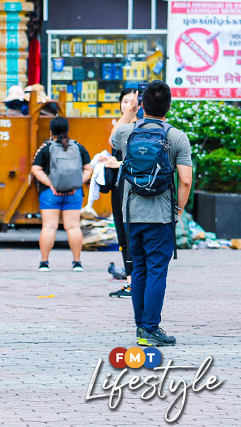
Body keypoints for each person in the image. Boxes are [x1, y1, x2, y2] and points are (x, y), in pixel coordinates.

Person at [111, 80, 192, 347]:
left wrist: (130, 109)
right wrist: (177, 210)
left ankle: (141, 327)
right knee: (157, 269)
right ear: (169, 106)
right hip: (160, 215)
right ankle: (150, 328)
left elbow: (112, 136)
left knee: (140, 269)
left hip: (131, 214)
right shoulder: (176, 136)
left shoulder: (127, 132)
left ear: (142, 104)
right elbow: (186, 181)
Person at [31, 116, 93, 272]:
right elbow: (89, 169)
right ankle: (77, 262)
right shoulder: (78, 147)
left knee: (49, 227)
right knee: (73, 227)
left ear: (51, 131)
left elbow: (36, 169)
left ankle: (44, 263)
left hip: (50, 194)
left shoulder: (46, 148)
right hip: (74, 193)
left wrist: (50, 184)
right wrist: (77, 183)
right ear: (67, 130)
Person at [104, 88, 138, 298]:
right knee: (122, 237)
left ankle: (135, 283)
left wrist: (118, 163)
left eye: (132, 102)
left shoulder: (142, 126)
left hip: (134, 189)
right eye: (125, 102)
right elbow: (113, 143)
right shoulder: (120, 124)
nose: (129, 106)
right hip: (118, 187)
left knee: (131, 234)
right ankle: (129, 282)